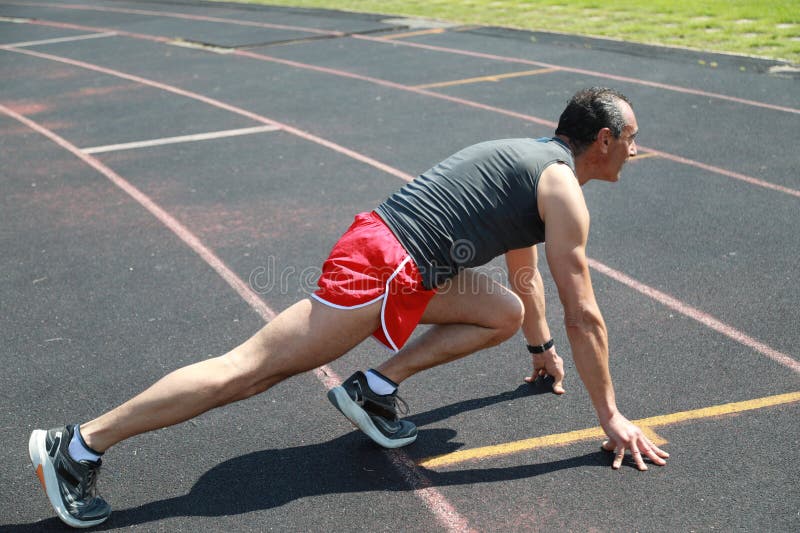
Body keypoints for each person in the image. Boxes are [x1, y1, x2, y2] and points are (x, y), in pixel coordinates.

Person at [29, 87, 669, 528]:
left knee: (498, 311)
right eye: (633, 140)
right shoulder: (562, 186)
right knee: (250, 370)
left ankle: (373, 390)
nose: (636, 153)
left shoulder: (534, 162)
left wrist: (539, 348)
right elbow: (584, 310)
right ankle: (78, 446)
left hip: (404, 262)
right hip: (384, 266)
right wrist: (610, 415)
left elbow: (523, 274)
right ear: (606, 140)